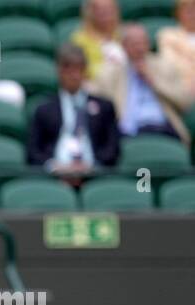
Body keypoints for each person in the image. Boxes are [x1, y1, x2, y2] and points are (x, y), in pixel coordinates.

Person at [27, 43, 121, 182]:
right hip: (55, 176)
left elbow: (113, 148)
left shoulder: (104, 107)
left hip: (93, 175)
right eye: (68, 70)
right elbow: (33, 151)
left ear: (85, 72)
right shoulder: (44, 109)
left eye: (79, 69)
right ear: (59, 72)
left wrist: (92, 166)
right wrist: (54, 167)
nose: (74, 75)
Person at [91, 22, 192, 145]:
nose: (139, 48)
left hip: (162, 128)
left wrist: (154, 82)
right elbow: (95, 101)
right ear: (124, 46)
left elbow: (185, 102)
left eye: (142, 43)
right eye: (134, 44)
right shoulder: (111, 73)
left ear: (148, 44)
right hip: (125, 131)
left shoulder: (165, 66)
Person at [71, 0, 123, 79]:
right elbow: (79, 70)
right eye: (100, 10)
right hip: (95, 86)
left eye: (109, 10)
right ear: (90, 13)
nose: (106, 14)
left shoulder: (123, 35)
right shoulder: (79, 40)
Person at [157, 0, 195, 96]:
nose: (193, 15)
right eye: (188, 11)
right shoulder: (168, 35)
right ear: (178, 14)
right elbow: (171, 65)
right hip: (184, 87)